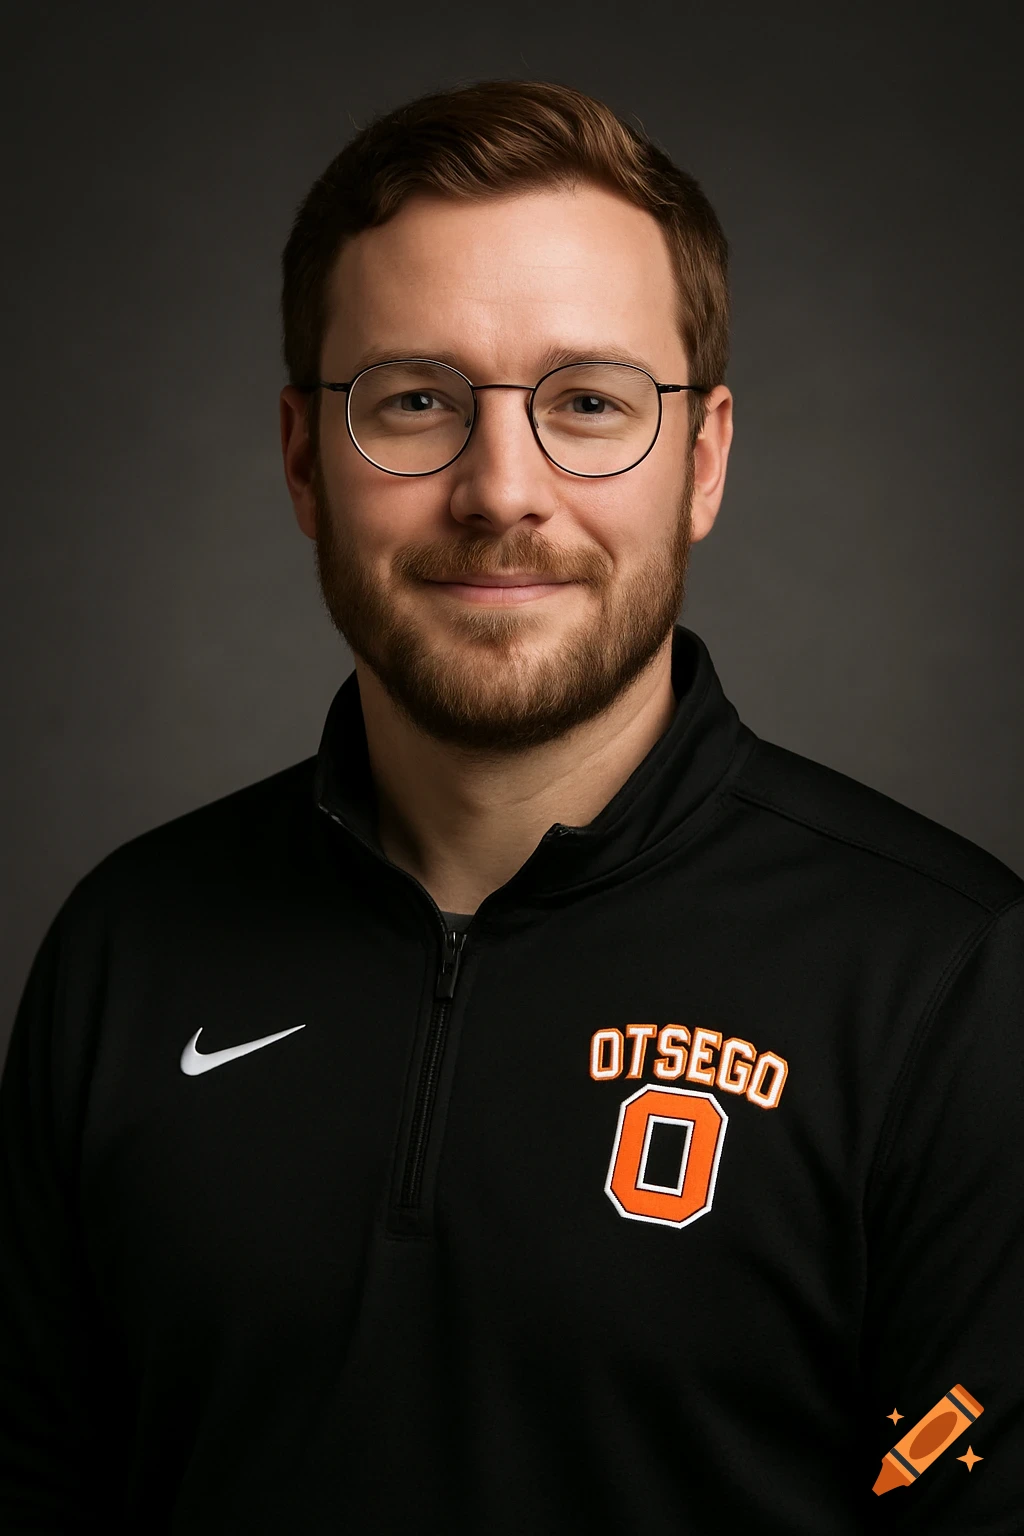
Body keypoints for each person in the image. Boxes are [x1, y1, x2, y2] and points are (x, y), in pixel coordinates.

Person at [1, 79, 1021, 1536]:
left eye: (588, 404)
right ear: (304, 460)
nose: (501, 489)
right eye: (415, 400)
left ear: (707, 459)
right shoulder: (127, 948)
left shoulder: (954, 984)